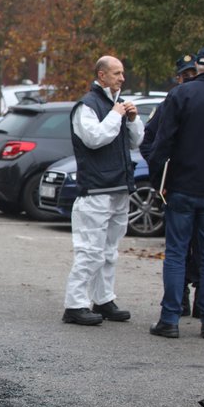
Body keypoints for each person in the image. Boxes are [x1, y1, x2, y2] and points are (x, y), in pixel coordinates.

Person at [145, 45, 204, 339]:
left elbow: (162, 142)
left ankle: (170, 319)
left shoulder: (180, 95)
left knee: (176, 254)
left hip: (181, 187)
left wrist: (159, 180)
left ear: (198, 67)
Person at [62, 55, 144, 326]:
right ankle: (75, 304)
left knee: (110, 251)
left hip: (119, 186)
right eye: (117, 73)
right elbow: (94, 139)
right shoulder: (87, 106)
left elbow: (136, 142)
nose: (122, 78)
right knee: (90, 250)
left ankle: (104, 298)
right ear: (102, 75)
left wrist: (132, 119)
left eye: (122, 73)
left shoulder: (116, 106)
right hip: (96, 189)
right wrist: (116, 115)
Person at [139, 54, 198, 317]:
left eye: (193, 73)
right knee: (180, 249)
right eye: (186, 75)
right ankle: (181, 299)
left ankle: (203, 303)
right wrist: (160, 179)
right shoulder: (169, 104)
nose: (190, 78)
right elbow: (149, 143)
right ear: (178, 78)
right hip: (178, 188)